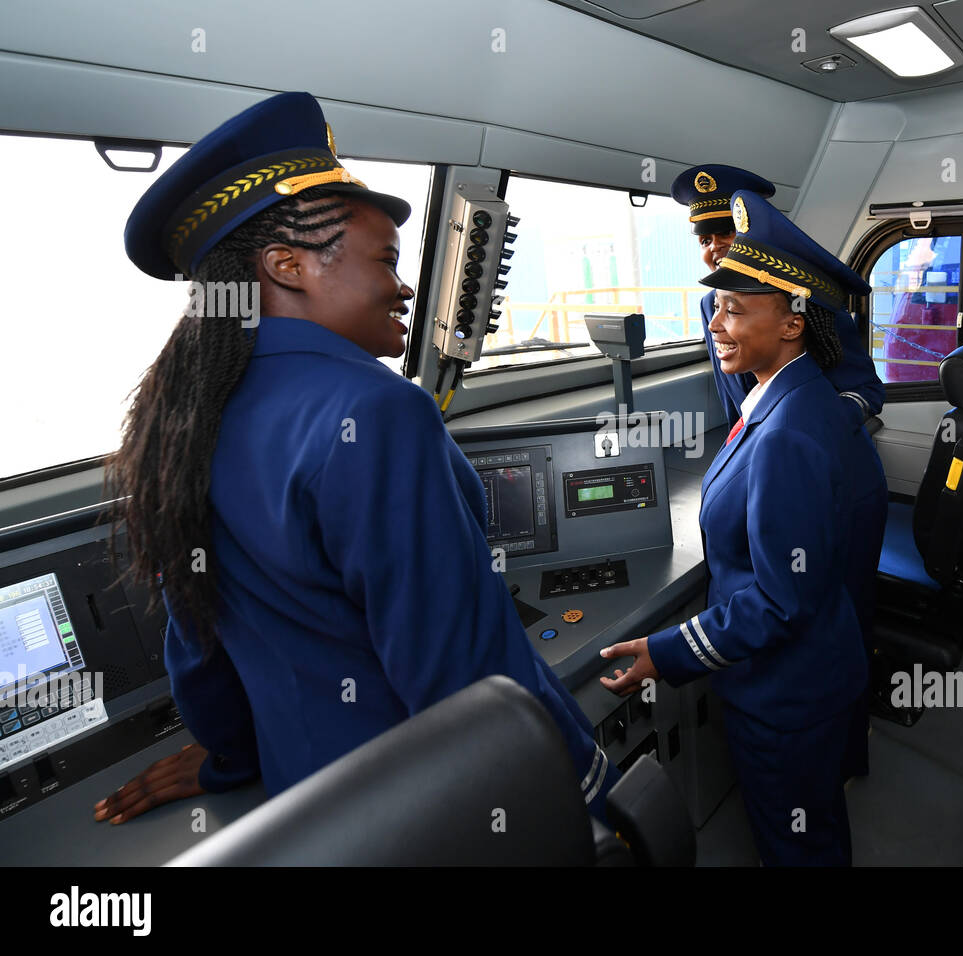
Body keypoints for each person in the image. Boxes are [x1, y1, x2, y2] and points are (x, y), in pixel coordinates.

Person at [95, 91, 618, 826]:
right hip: (438, 813)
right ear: (288, 266)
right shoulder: (377, 410)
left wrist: (230, 758)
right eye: (386, 261)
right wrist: (590, 800)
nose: (404, 287)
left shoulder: (179, 421)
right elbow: (465, 677)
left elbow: (199, 649)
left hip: (322, 815)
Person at [600, 190, 889, 865]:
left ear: (792, 324)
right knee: (815, 825)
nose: (717, 324)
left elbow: (780, 600)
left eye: (735, 310)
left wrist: (666, 652)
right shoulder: (794, 396)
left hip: (786, 693)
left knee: (796, 843)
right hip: (817, 672)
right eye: (716, 308)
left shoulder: (788, 432)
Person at [669, 164, 886, 426]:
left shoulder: (802, 297)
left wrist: (818, 425)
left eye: (727, 232)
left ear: (752, 234)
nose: (715, 246)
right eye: (704, 240)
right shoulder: (708, 306)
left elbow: (866, 392)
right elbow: (733, 396)